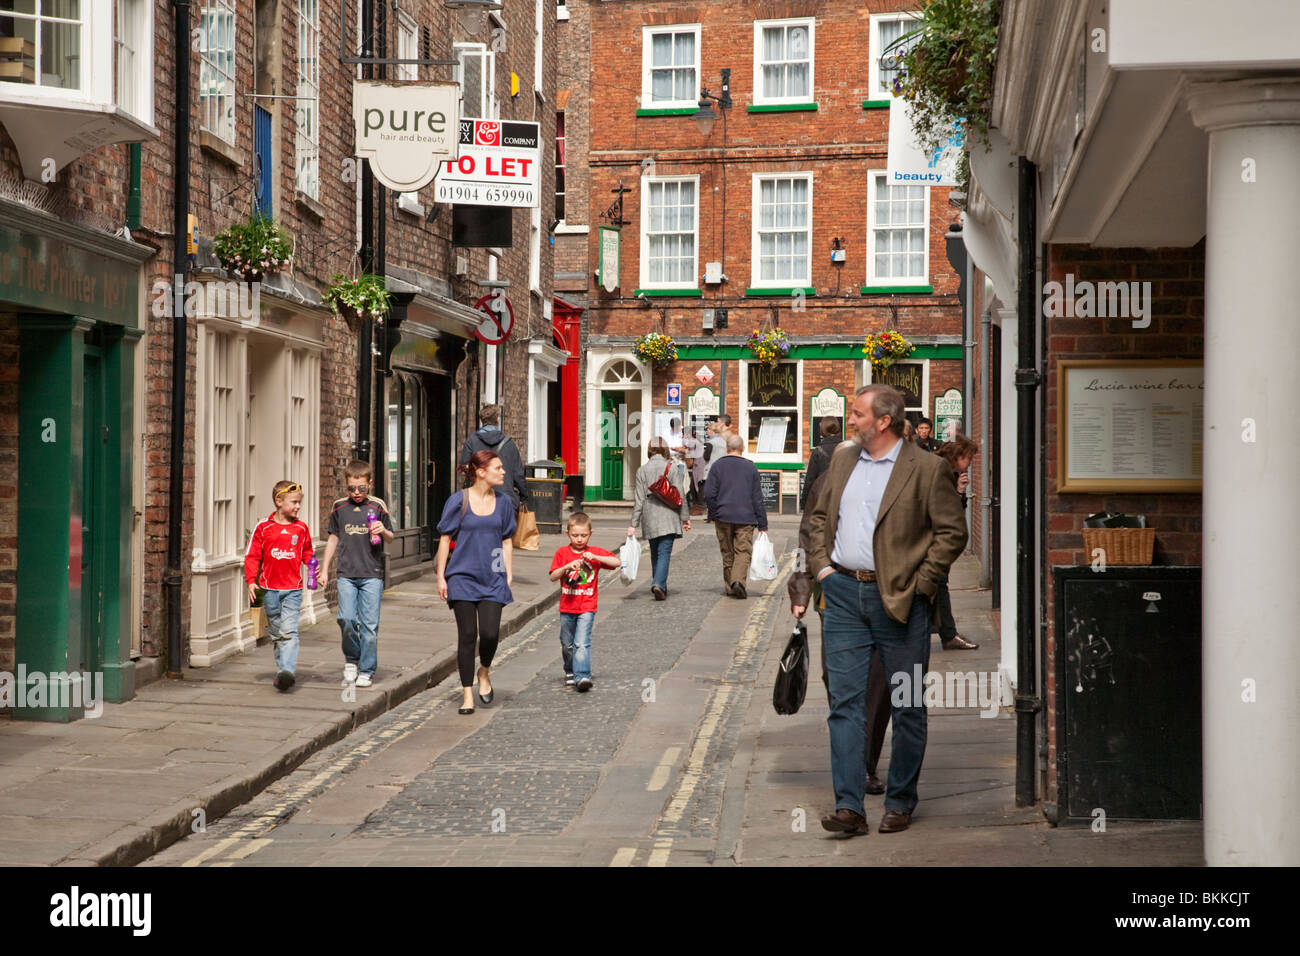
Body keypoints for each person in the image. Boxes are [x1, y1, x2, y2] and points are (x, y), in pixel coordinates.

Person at [807, 384, 967, 836]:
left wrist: (923, 585)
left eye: (858, 413)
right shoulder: (843, 460)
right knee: (845, 704)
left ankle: (899, 801)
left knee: (907, 703)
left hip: (900, 601)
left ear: (883, 421)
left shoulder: (928, 468)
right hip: (842, 595)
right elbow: (819, 518)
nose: (850, 420)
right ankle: (849, 807)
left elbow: (952, 533)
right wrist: (822, 569)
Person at [790, 472, 891, 795]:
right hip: (835, 595)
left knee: (878, 684)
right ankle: (851, 761)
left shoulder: (901, 471)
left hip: (889, 596)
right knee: (836, 678)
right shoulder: (829, 478)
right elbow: (807, 539)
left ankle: (865, 765)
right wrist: (801, 590)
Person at [436, 449, 516, 715]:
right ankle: (467, 695)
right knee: (468, 635)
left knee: (490, 634)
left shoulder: (504, 503)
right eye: (498, 468)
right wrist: (441, 577)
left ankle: (484, 671)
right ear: (481, 472)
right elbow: (445, 540)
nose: (503, 471)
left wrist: (508, 574)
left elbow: (507, 540)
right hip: (462, 577)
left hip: (493, 577)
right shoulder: (458, 501)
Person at [321, 461, 395, 687]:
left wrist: (383, 531)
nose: (356, 493)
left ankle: (367, 669)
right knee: (346, 619)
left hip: (372, 574)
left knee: (370, 626)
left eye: (361, 488)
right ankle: (352, 659)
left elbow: (391, 537)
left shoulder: (378, 506)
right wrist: (324, 569)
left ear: (369, 483)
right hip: (346, 574)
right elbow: (333, 538)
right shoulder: (339, 507)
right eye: (351, 488)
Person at [244, 480, 320, 691]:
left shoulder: (301, 528)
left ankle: (287, 670)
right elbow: (252, 556)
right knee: (277, 634)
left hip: (293, 590)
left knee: (290, 631)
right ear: (279, 501)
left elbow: (307, 552)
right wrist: (251, 581)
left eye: (299, 503)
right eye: (294, 502)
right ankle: (282, 672)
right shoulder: (263, 527)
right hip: (270, 590)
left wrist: (314, 569)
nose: (298, 506)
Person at [548, 512, 620, 691]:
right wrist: (566, 567)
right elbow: (553, 576)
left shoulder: (593, 553)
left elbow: (616, 562)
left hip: (587, 606)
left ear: (590, 534)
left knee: (581, 642)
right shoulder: (562, 553)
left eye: (583, 535)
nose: (579, 539)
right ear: (568, 534)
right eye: (575, 535)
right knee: (567, 644)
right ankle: (570, 670)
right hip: (567, 607)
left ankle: (582, 676)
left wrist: (595, 557)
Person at [702, 432, 767, 599]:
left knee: (727, 552)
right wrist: (763, 524)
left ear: (726, 448)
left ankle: (730, 587)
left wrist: (713, 513)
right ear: (743, 448)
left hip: (722, 516)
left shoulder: (717, 466)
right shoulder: (751, 468)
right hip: (746, 517)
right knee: (743, 551)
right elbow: (757, 498)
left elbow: (709, 493)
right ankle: (738, 581)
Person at [628, 437, 692, 601]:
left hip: (650, 516)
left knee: (655, 552)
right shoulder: (671, 468)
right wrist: (685, 518)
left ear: (650, 450)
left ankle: (660, 585)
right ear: (665, 449)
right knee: (664, 552)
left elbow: (639, 499)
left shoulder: (642, 470)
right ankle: (658, 584)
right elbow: (680, 495)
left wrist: (633, 524)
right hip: (669, 516)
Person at [933, 435, 980, 650]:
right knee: (937, 587)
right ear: (958, 456)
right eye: (968, 457)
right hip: (933, 542)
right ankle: (948, 635)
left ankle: (947, 633)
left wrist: (959, 491)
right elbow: (944, 511)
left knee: (939, 587)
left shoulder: (951, 474)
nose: (970, 463)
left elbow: (953, 511)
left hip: (938, 541)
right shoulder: (940, 472)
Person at [458, 404, 530, 510]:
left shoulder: (471, 441)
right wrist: (524, 496)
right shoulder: (509, 443)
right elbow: (518, 474)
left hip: (478, 499)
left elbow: (465, 467)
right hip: (505, 501)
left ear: (482, 420)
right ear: (498, 419)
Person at [801, 417, 844, 511]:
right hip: (842, 498)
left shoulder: (818, 451)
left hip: (822, 500)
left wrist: (804, 503)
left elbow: (810, 479)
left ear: (822, 430)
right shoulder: (847, 449)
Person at [683, 426, 706, 515]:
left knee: (698, 486)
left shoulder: (693, 441)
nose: (683, 436)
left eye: (684, 434)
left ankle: (699, 507)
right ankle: (697, 507)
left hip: (700, 465)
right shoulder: (694, 440)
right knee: (693, 486)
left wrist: (683, 450)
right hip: (697, 465)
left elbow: (690, 451)